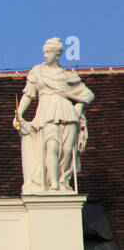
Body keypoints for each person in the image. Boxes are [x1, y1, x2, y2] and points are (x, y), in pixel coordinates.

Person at [14, 37, 94, 194]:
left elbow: (89, 94)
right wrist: (19, 114)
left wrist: (79, 104)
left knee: (66, 151)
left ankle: (63, 182)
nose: (45, 55)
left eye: (48, 52)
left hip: (67, 112)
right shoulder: (38, 72)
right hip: (47, 113)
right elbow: (28, 95)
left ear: (57, 54)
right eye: (44, 52)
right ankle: (54, 184)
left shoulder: (67, 76)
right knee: (52, 147)